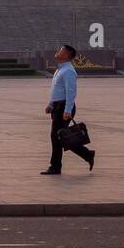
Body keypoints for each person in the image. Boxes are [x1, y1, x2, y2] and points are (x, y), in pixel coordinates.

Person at [41, 44, 95, 175]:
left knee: (56, 136)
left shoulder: (69, 71)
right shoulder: (60, 70)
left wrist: (68, 110)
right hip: (57, 107)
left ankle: (55, 167)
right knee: (60, 137)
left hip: (64, 108)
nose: (58, 52)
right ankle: (87, 154)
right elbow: (57, 90)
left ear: (66, 55)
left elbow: (71, 92)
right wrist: (51, 104)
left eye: (61, 50)